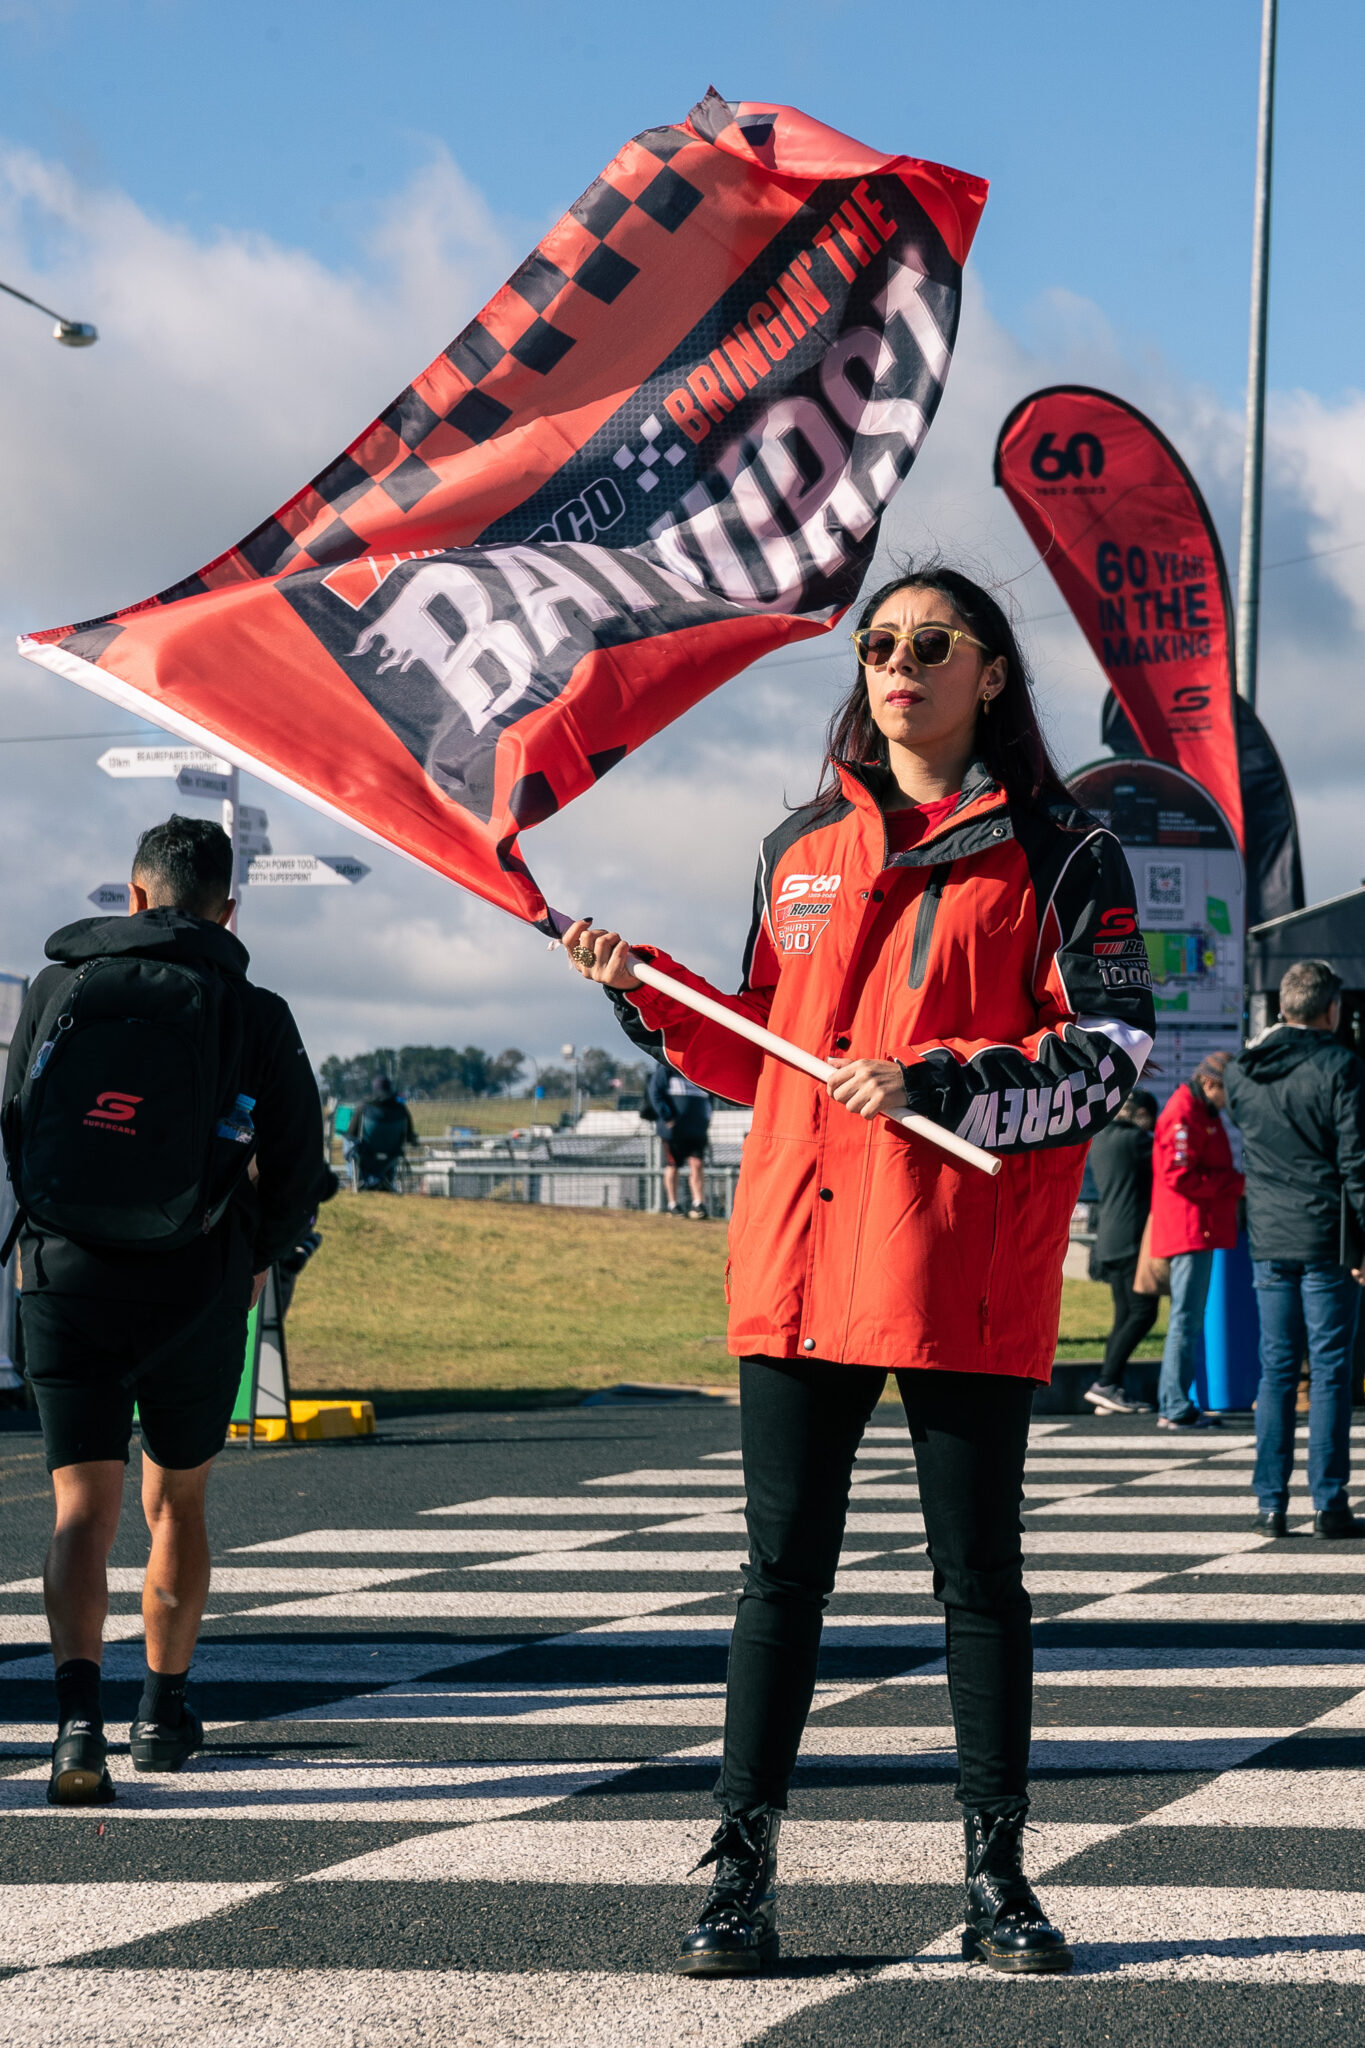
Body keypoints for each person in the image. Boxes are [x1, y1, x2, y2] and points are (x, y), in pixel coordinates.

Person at [563, 564, 1155, 1978]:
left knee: (979, 1584)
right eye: (881, 642)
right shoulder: (797, 845)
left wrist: (943, 1078)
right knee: (778, 1580)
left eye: (931, 642)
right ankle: (738, 1876)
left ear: (991, 672)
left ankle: (998, 1879)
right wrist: (647, 992)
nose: (898, 661)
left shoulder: (1065, 849)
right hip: (800, 1249)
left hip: (957, 1262)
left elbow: (1116, 1056)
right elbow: (756, 1040)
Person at [2, 816, 327, 1806]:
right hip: (196, 1279)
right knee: (174, 1498)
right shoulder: (255, 1009)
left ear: (132, 894)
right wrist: (257, 1255)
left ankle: (74, 1727)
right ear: (229, 908)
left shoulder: (58, 987)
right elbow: (302, 1162)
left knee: (79, 1509)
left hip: (64, 1275)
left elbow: (20, 1119)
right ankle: (163, 1708)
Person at [1225, 960, 1365, 1538]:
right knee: (1331, 1371)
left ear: (1283, 1008)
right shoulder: (1341, 1066)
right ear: (1331, 1011)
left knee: (1276, 1370)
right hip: (1326, 1237)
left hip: (1269, 1234)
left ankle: (1270, 1503)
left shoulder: (1242, 1073)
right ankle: (1329, 1503)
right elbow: (1356, 1164)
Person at [1150, 1052, 1243, 1432]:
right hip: (1189, 1226)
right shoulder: (1184, 1112)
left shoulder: (1199, 1111)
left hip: (1197, 1225)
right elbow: (1179, 1175)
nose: (1229, 1102)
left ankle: (1176, 1400)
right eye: (1227, 1093)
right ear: (1210, 1084)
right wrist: (1237, 1185)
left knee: (1187, 1317)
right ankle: (1173, 1404)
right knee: (1185, 1318)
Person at [1084, 1089, 1159, 1415]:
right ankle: (1105, 1382)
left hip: (1108, 1239)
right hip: (1131, 1239)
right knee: (1143, 1313)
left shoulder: (1101, 1139)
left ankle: (1109, 1386)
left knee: (1124, 1315)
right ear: (1141, 1113)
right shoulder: (1136, 1142)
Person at [648, 1058, 713, 1217]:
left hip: (697, 1129)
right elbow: (655, 1093)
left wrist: (706, 1118)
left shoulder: (702, 1072)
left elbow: (710, 1099)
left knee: (697, 1164)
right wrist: (667, 1116)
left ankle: (698, 1204)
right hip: (674, 1131)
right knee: (673, 1165)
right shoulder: (666, 1069)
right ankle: (673, 1204)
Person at [349, 1074, 417, 1191]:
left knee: (348, 1142)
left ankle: (360, 1181)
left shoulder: (364, 1108)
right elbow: (410, 1137)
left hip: (367, 1156)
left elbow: (351, 1133)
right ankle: (385, 1181)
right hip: (391, 1157)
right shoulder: (401, 1109)